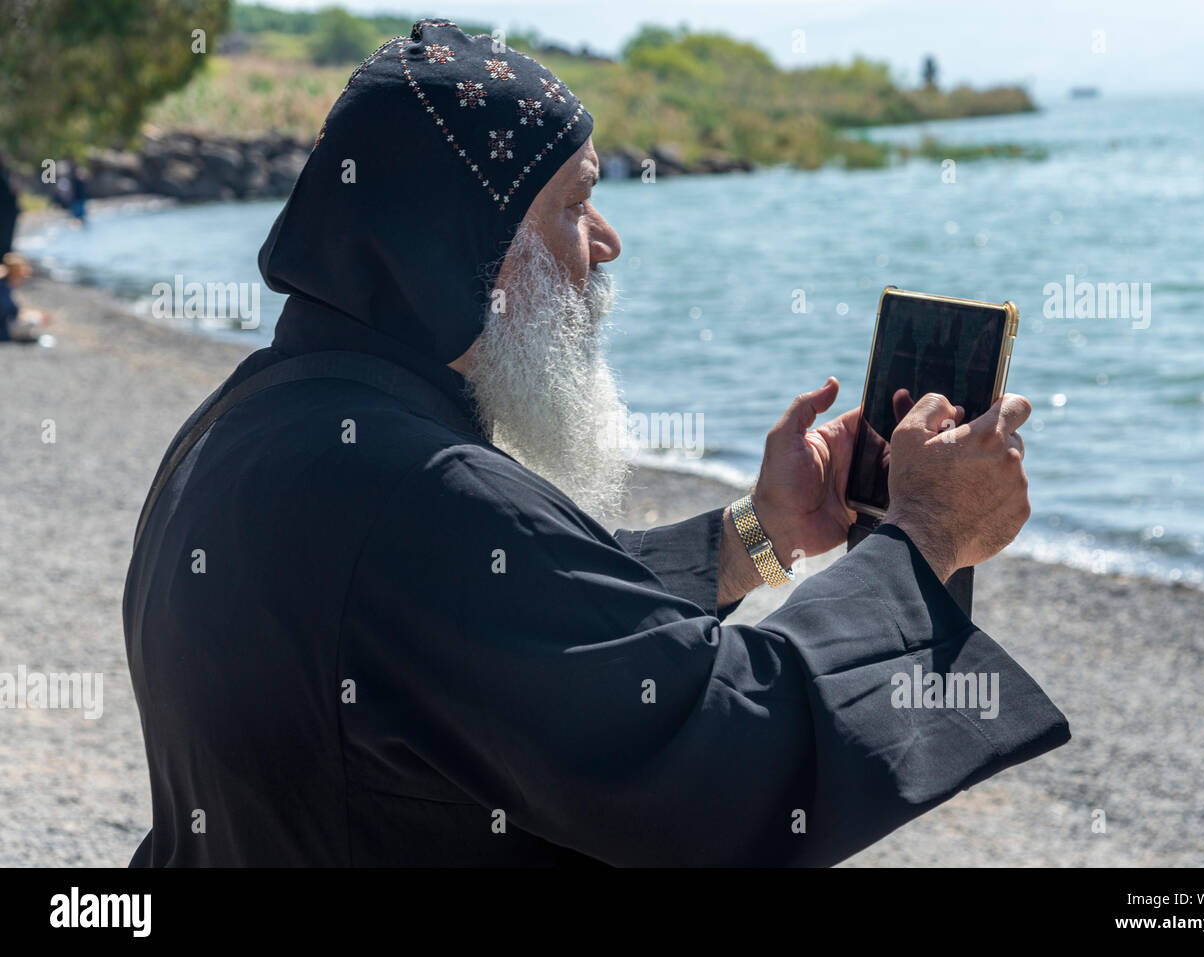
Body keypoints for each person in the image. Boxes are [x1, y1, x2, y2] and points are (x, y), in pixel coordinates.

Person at [123, 18, 1069, 867]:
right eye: (576, 204)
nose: (606, 242)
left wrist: (758, 534)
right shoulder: (416, 491)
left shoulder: (254, 417)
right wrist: (928, 538)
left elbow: (525, 636)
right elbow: (716, 756)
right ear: (468, 236)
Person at [0, 253, 52, 343]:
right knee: (33, 321)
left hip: (5, 326)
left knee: (34, 319)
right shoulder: (4, 289)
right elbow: (10, 314)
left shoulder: (5, 287)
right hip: (3, 331)